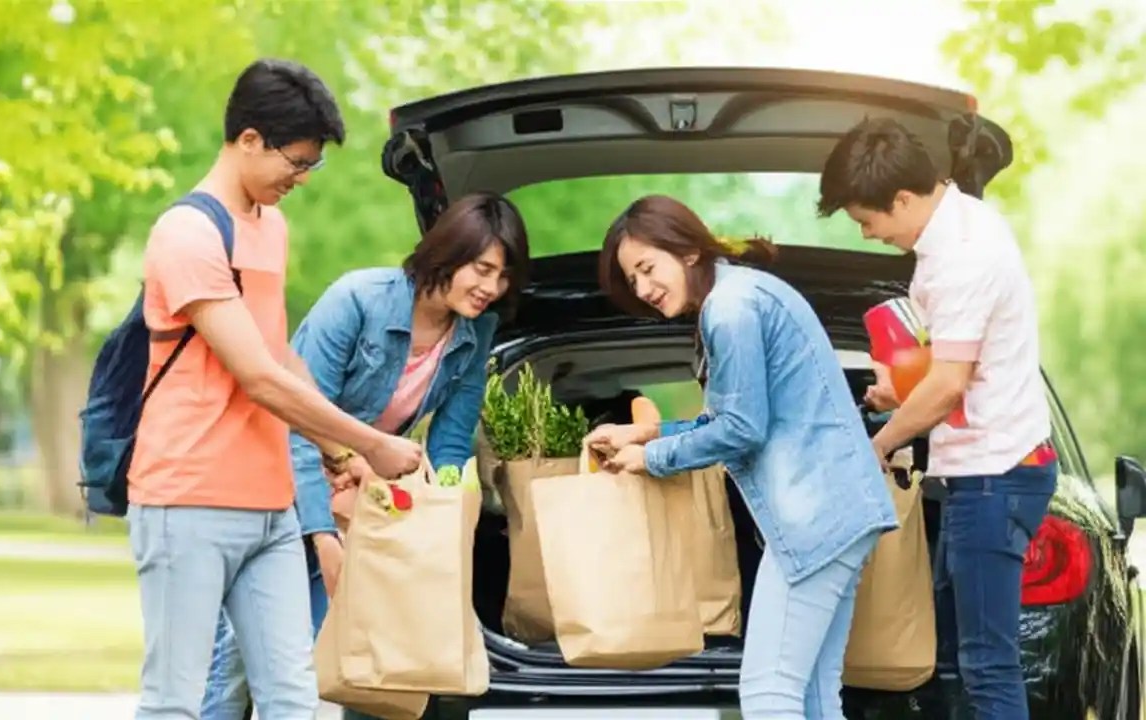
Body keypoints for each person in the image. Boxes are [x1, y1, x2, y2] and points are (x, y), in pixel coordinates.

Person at [127, 58, 423, 720]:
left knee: (293, 699)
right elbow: (255, 377)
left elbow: (280, 356)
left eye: (311, 165)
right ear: (249, 139)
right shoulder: (187, 235)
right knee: (176, 702)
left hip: (270, 507)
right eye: (295, 161)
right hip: (188, 502)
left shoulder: (271, 226)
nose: (301, 178)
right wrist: (372, 442)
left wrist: (338, 453)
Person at [199, 192, 531, 720]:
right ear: (448, 252)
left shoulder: (476, 329)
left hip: (359, 499)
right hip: (277, 489)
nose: (491, 288)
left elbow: (449, 439)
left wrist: (440, 517)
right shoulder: (358, 300)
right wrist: (323, 539)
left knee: (368, 665)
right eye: (482, 268)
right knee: (239, 670)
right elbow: (295, 419)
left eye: (504, 276)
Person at [585, 195, 897, 720]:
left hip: (813, 516)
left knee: (767, 694)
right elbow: (734, 419)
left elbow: (740, 430)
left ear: (685, 251)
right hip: (845, 510)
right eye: (632, 279)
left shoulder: (729, 309)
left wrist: (652, 458)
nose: (642, 288)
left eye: (646, 268)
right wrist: (646, 434)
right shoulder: (745, 293)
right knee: (817, 697)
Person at [817, 117, 1056, 720]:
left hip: (994, 475)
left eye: (867, 222)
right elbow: (955, 372)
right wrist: (898, 396)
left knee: (986, 665)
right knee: (958, 658)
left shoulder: (964, 256)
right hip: (983, 469)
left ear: (901, 199)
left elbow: (949, 386)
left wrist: (881, 443)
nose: (869, 236)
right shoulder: (960, 228)